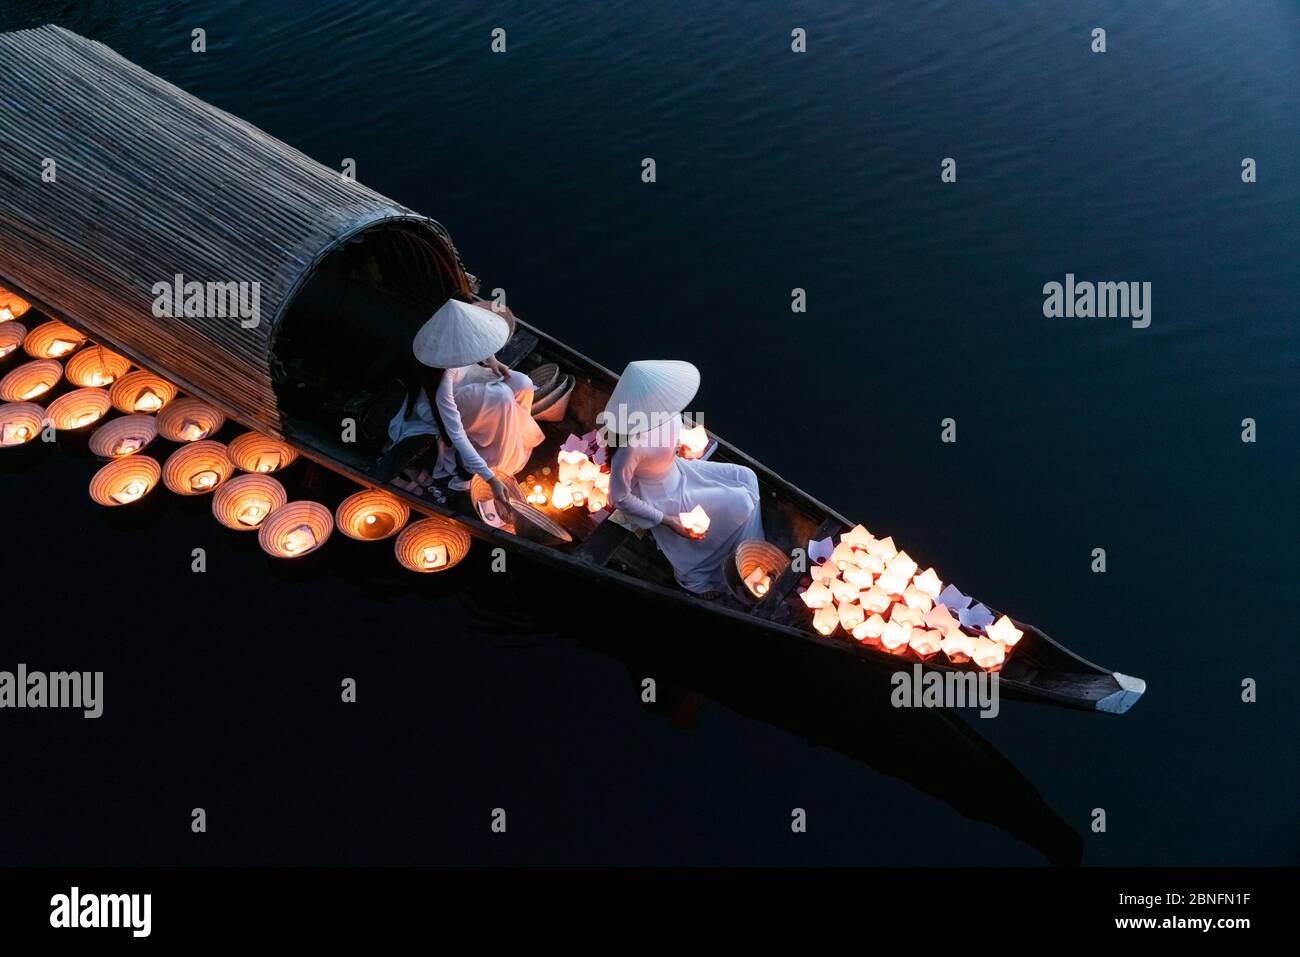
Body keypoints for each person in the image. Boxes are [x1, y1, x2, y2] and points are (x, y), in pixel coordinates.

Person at [604, 360, 765, 596]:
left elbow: (670, 445)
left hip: (681, 470)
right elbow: (618, 497)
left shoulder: (668, 411)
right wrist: (668, 520)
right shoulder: (631, 447)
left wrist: (682, 450)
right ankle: (698, 575)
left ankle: (748, 548)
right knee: (741, 501)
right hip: (662, 496)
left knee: (746, 477)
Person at [387, 298, 544, 513]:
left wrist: (492, 361)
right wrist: (490, 479)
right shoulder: (441, 383)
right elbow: (456, 435)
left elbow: (477, 342)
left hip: (469, 378)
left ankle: (513, 433)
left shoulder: (458, 343)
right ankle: (494, 458)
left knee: (522, 383)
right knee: (501, 397)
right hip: (452, 399)